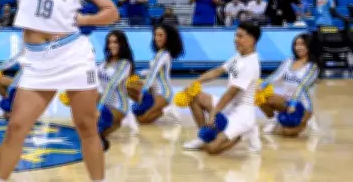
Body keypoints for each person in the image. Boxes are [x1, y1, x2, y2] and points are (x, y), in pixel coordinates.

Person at [0, 0, 119, 182]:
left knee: (86, 126)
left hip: (73, 55)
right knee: (16, 127)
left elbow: (111, 11)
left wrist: (85, 19)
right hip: (37, 62)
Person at [182, 21, 262, 154]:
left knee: (212, 149)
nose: (236, 40)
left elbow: (230, 94)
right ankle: (204, 135)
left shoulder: (251, 64)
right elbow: (218, 71)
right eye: (236, 35)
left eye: (240, 36)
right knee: (194, 96)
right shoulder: (238, 57)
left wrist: (214, 113)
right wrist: (196, 81)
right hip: (230, 106)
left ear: (252, 40)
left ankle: (244, 133)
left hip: (242, 113)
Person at [258, 33, 320, 136]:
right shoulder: (288, 61)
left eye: (302, 44)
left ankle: (308, 119)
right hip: (286, 101)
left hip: (302, 105)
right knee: (261, 98)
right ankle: (273, 120)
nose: (298, 47)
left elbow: (302, 86)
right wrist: (262, 85)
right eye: (296, 44)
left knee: (287, 133)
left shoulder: (312, 67)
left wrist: (293, 103)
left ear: (309, 46)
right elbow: (276, 75)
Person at [128, 24, 184, 124]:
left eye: (160, 35)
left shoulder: (164, 54)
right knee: (127, 84)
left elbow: (153, 74)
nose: (157, 38)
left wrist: (143, 91)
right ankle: (144, 105)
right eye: (156, 35)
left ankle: (168, 109)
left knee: (143, 120)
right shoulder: (159, 54)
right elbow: (151, 71)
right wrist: (136, 74)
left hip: (163, 93)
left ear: (168, 37)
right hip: (153, 90)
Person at [97, 30, 139, 137]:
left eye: (115, 42)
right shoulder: (105, 61)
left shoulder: (124, 63)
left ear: (122, 44)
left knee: (94, 133)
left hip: (117, 105)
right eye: (110, 42)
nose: (112, 45)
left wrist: (99, 107)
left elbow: (111, 85)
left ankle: (125, 117)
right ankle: (118, 123)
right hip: (105, 103)